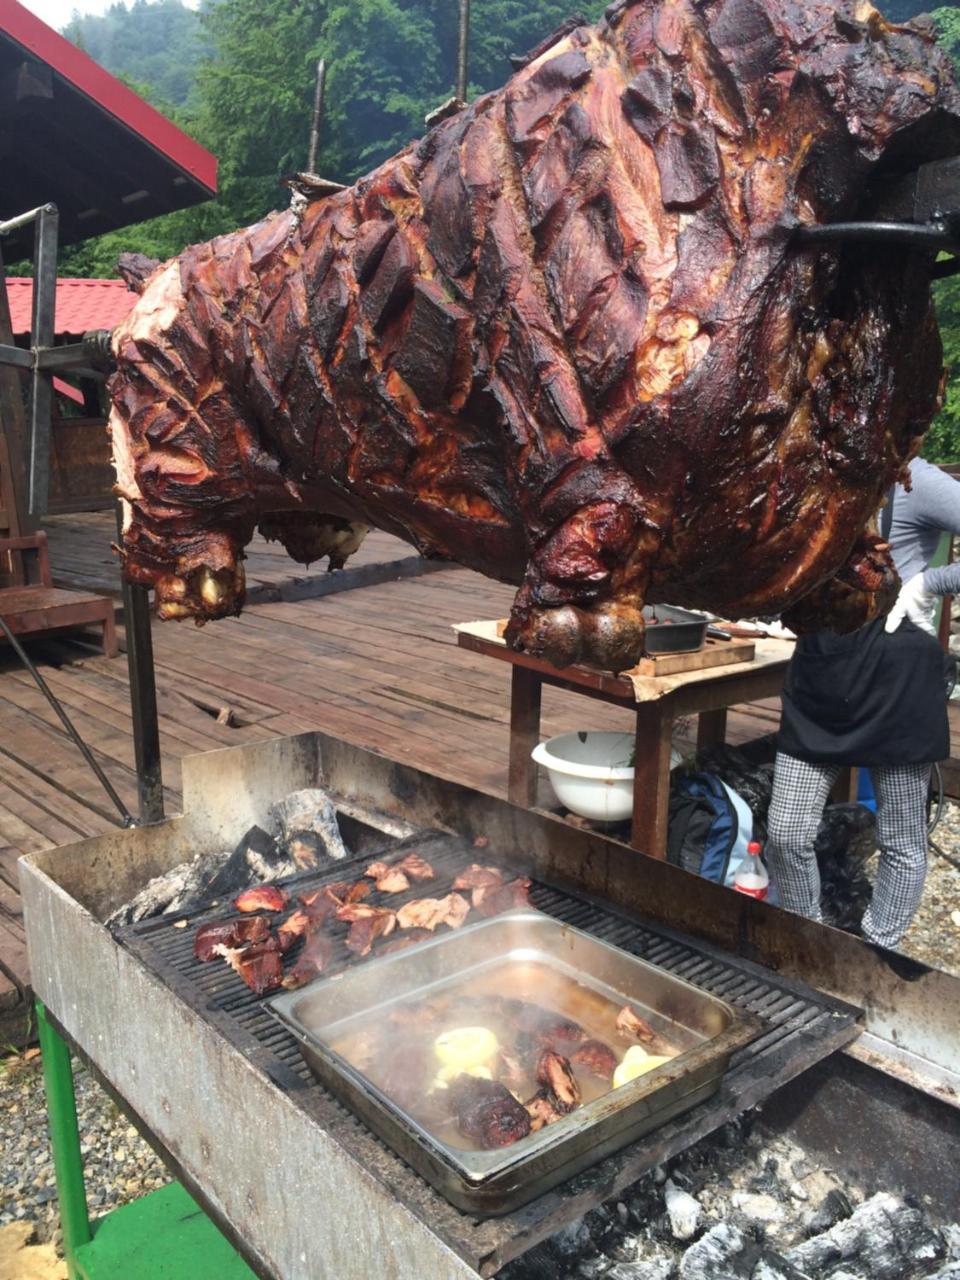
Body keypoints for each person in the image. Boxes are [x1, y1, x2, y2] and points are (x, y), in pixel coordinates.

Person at [765, 493, 951, 947]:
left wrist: (932, 582)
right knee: (786, 832)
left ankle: (876, 948)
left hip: (898, 682)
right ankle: (805, 939)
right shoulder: (814, 466)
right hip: (822, 669)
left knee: (901, 841)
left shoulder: (917, 481)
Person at [883, 456, 960, 635]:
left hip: (889, 640)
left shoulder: (919, 482)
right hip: (819, 648)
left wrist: (927, 585)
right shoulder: (826, 474)